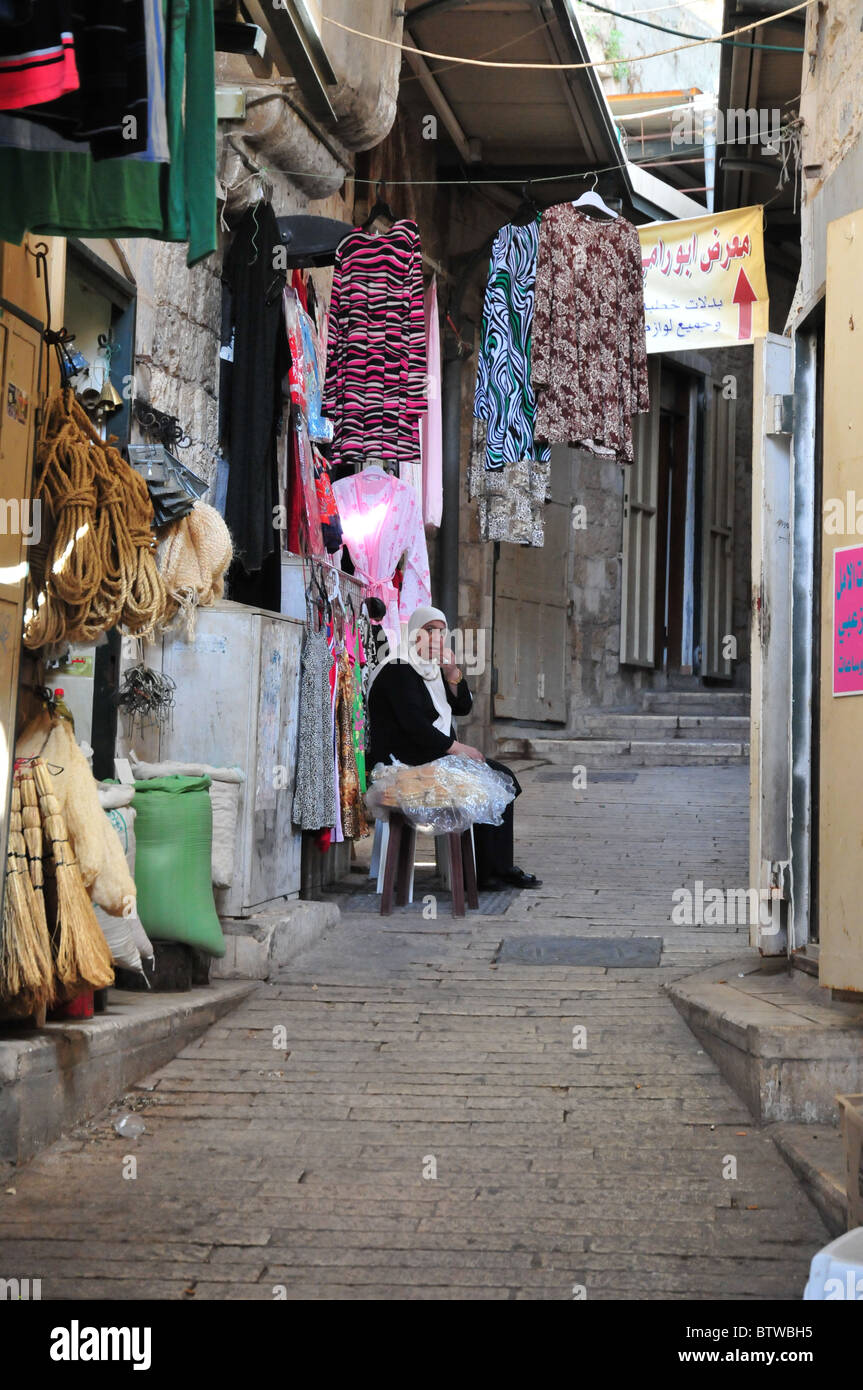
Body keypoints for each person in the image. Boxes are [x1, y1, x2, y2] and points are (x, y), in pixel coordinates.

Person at [366, 604, 541, 890]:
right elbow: (413, 725)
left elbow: (462, 707)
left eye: (441, 631)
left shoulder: (431, 669)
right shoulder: (398, 668)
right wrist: (456, 748)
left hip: (428, 754)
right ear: (414, 634)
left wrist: (452, 674)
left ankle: (499, 866)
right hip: (403, 760)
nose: (436, 637)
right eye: (429, 631)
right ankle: (484, 873)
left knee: (502, 777)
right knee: (486, 779)